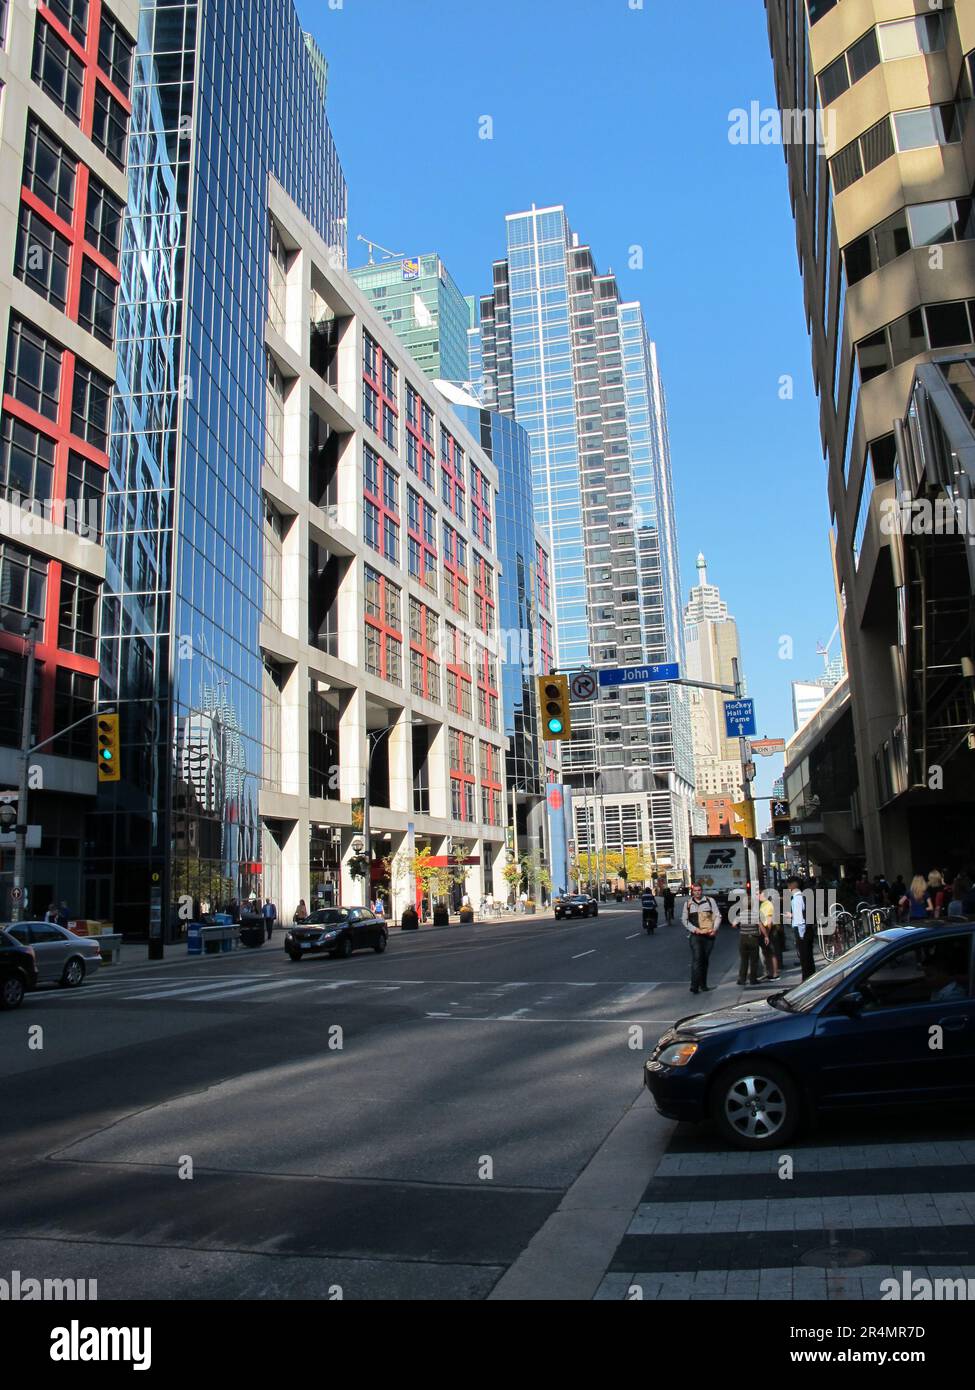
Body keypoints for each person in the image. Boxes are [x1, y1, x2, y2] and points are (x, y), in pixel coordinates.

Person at [683, 883, 721, 995]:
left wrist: (715, 929)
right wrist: (694, 929)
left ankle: (703, 985)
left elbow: (717, 915)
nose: (697, 892)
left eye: (699, 890)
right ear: (692, 891)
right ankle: (694, 986)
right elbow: (685, 920)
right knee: (697, 958)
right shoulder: (688, 904)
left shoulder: (710, 901)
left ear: (702, 891)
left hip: (709, 935)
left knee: (704, 960)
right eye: (695, 890)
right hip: (696, 935)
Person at [790, 878, 815, 981]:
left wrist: (800, 935)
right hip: (808, 930)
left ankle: (806, 979)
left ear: (792, 887)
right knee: (809, 957)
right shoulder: (804, 896)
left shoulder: (797, 899)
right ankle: (812, 977)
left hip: (802, 932)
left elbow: (800, 920)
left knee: (804, 958)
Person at [736, 897, 763, 987]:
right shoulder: (755, 914)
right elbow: (760, 925)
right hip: (753, 938)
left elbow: (733, 924)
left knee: (744, 960)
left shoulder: (741, 914)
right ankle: (753, 979)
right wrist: (765, 935)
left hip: (743, 938)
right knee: (754, 960)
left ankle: (742, 979)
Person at [758, 894, 780, 982]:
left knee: (771, 953)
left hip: (769, 931)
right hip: (765, 930)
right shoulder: (763, 904)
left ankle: (775, 974)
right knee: (767, 953)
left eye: (760, 894)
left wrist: (767, 934)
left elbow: (769, 921)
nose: (758, 896)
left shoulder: (768, 905)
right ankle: (770, 973)